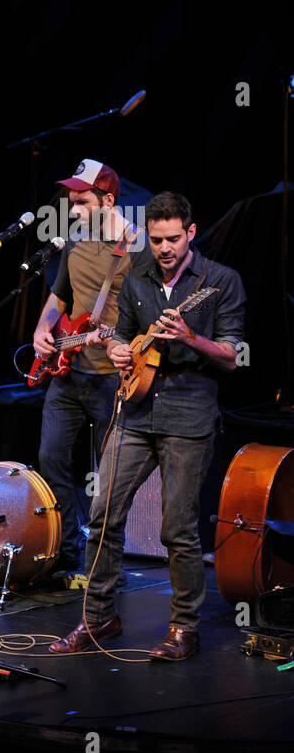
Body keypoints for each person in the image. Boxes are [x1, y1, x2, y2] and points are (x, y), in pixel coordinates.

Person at [49, 191, 245, 660]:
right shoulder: (138, 278)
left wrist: (191, 337)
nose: (164, 248)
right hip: (136, 408)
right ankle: (98, 619)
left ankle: (184, 628)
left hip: (188, 411)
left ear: (190, 233)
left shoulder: (220, 281)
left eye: (173, 238)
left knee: (177, 529)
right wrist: (118, 350)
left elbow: (235, 355)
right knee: (103, 517)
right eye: (156, 239)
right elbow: (124, 331)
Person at [31, 159, 143, 571]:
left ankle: (103, 564)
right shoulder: (74, 242)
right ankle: (68, 548)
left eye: (81, 201)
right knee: (51, 460)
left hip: (113, 379)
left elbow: (152, 313)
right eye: (71, 201)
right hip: (68, 371)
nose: (73, 208)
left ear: (108, 200)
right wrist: (42, 331)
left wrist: (124, 341)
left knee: (110, 481)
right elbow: (59, 299)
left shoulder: (138, 247)